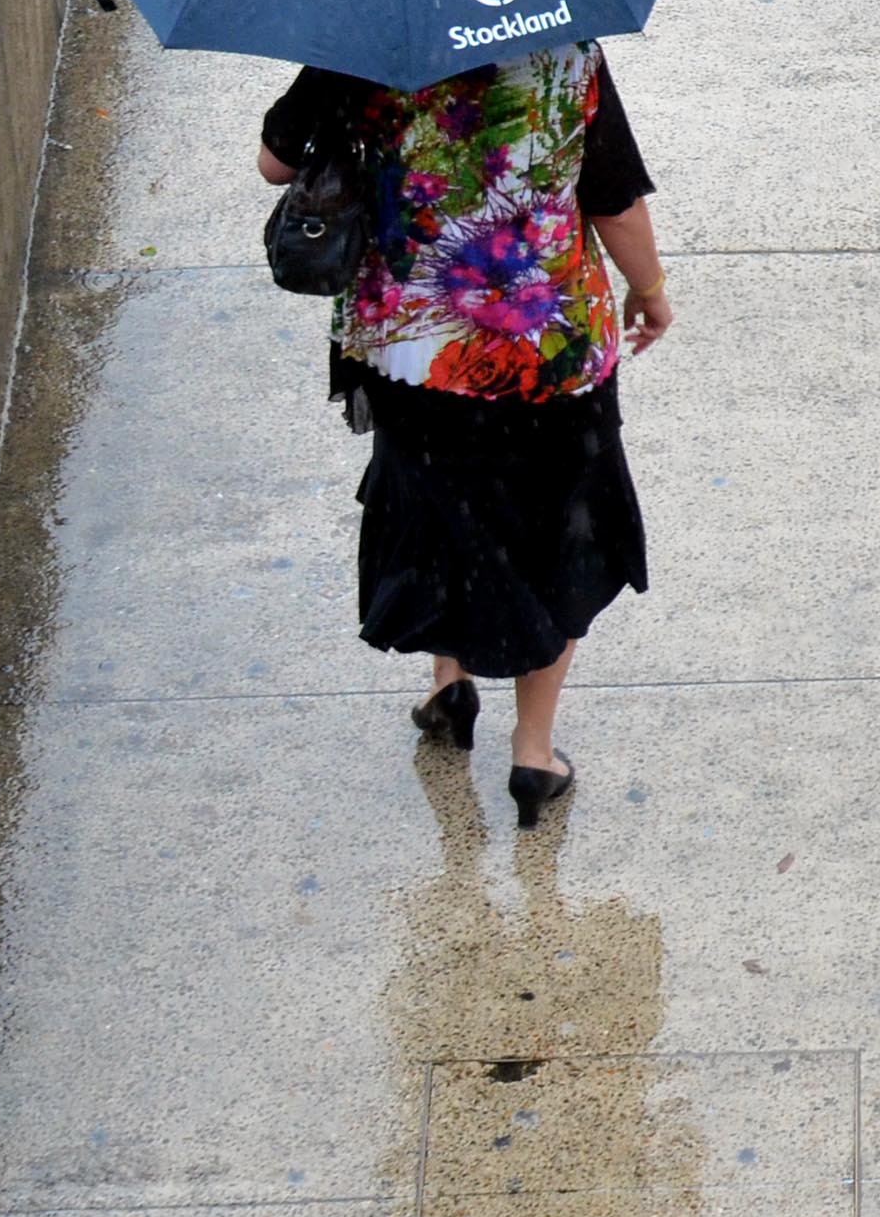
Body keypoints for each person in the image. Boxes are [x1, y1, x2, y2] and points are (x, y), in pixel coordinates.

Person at [258, 40, 671, 827]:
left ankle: (449, 684)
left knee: (445, 510)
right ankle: (533, 754)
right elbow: (613, 201)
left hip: (412, 347)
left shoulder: (360, 43)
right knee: (553, 538)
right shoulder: (564, 52)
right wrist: (649, 290)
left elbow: (276, 167)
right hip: (545, 348)